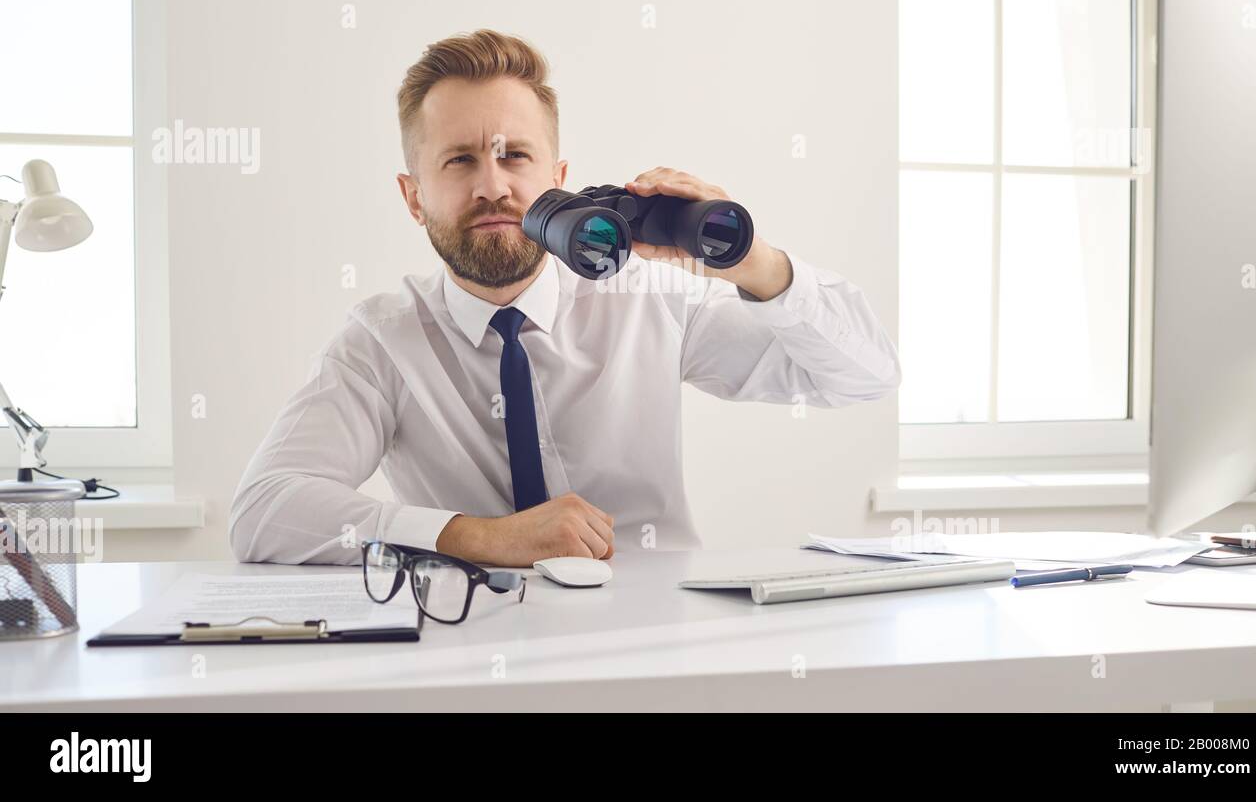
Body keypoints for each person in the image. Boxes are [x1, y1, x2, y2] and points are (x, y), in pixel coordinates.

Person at [229, 29, 900, 566]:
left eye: (515, 156)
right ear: (413, 197)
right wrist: (480, 538)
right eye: (459, 160)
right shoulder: (384, 341)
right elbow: (263, 511)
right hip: (470, 644)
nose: (493, 187)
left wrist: (754, 262)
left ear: (559, 178)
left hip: (657, 643)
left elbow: (865, 377)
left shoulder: (648, 301)